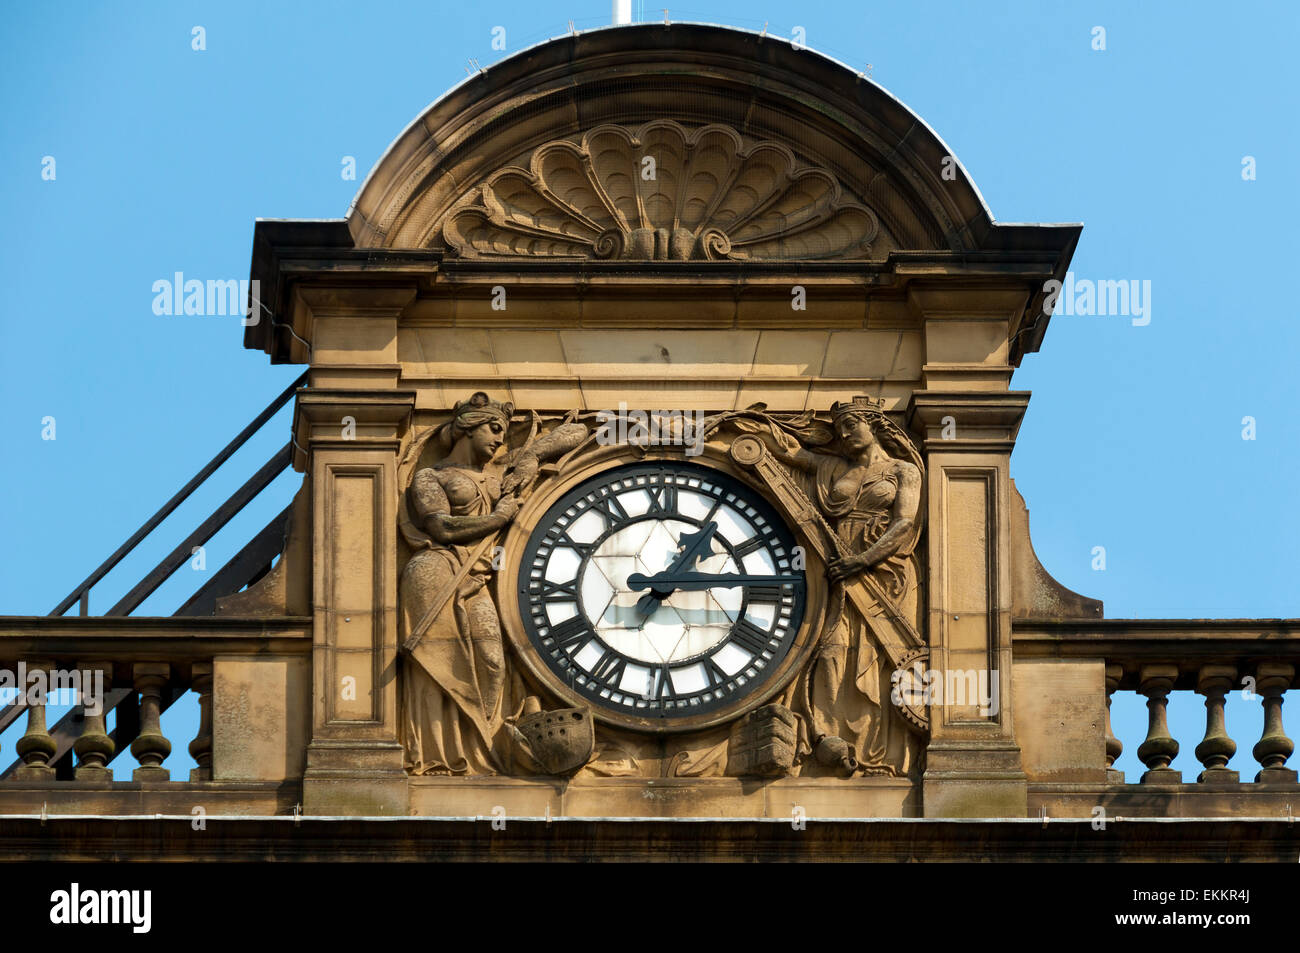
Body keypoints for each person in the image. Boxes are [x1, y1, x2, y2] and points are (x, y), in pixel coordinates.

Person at [764, 396, 923, 776]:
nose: (845, 434)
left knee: (875, 655)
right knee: (830, 651)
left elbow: (903, 523)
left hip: (882, 574)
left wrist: (862, 560)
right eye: (839, 429)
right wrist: (741, 432)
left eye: (852, 425)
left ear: (875, 425)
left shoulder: (903, 471)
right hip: (832, 570)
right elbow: (794, 455)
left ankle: (875, 749)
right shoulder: (835, 467)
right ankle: (829, 736)